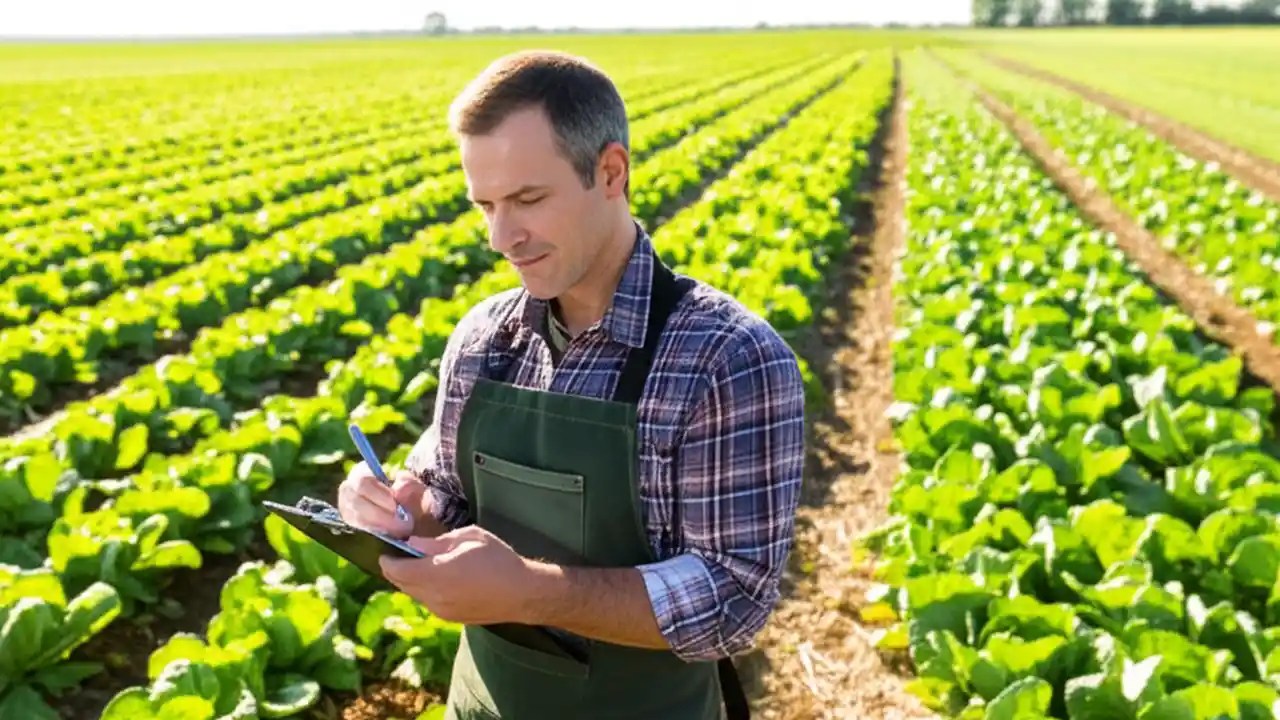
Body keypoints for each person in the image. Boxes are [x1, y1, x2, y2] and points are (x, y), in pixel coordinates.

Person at [337, 49, 806, 720]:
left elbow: (732, 601)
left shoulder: (728, 358)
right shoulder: (482, 338)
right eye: (486, 205)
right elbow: (443, 487)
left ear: (610, 172)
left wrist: (528, 591)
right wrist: (402, 511)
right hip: (481, 704)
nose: (503, 237)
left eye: (529, 199)